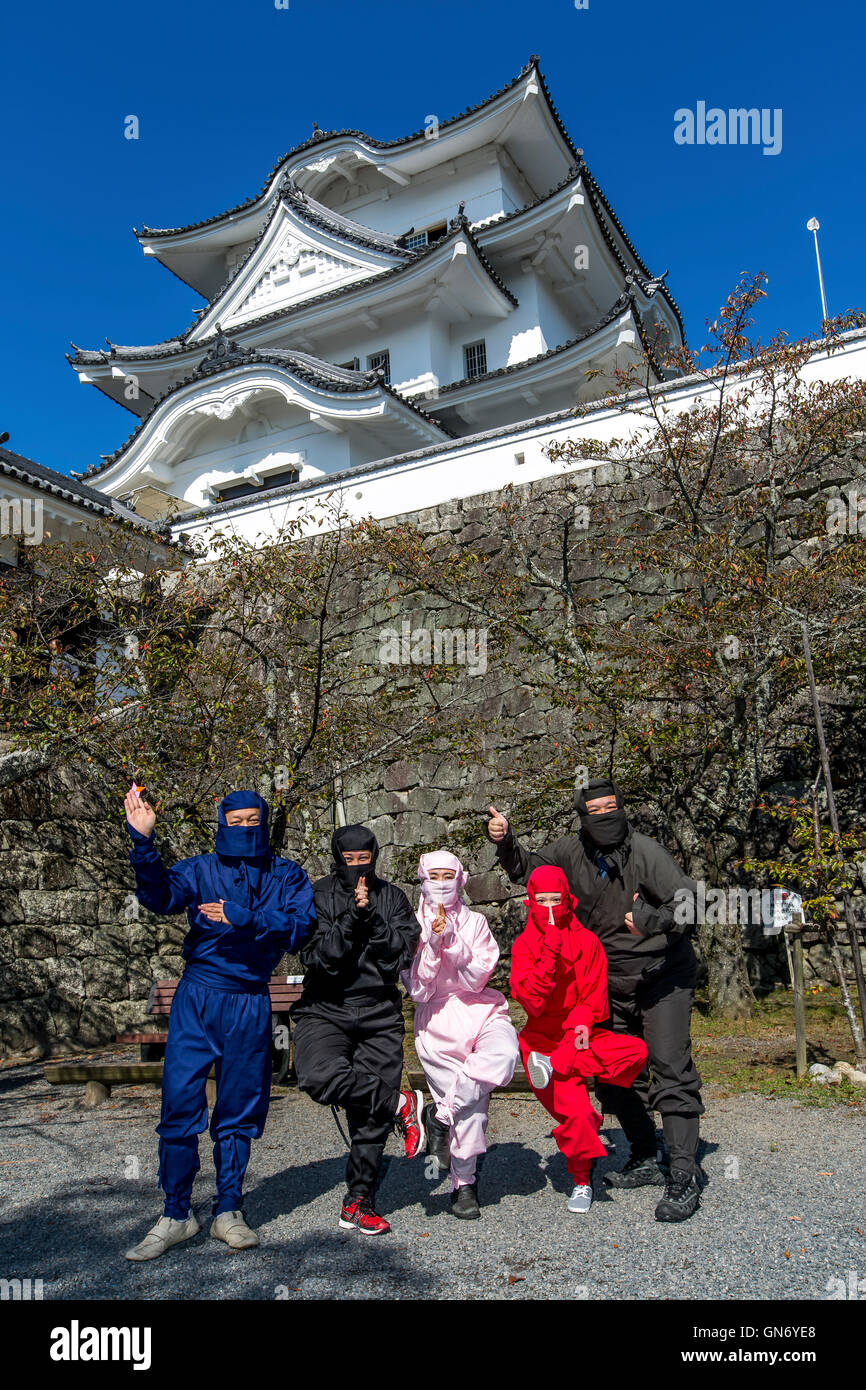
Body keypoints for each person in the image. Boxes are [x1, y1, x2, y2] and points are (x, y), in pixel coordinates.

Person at [488, 778, 704, 1222]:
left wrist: (651, 920)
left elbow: (692, 904)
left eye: (612, 807)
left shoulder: (647, 853)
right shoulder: (570, 852)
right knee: (609, 1074)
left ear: (623, 809)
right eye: (595, 811)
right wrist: (507, 840)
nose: (605, 817)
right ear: (582, 818)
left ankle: (683, 1174)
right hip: (607, 981)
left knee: (668, 1065)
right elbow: (532, 872)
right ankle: (646, 1153)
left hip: (661, 974)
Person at [123, 787, 316, 1260]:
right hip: (198, 998)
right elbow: (160, 897)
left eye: (254, 820)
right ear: (221, 821)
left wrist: (246, 917)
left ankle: (229, 1209)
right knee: (180, 1102)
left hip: (250, 998)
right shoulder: (200, 868)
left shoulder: (287, 874)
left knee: (238, 1108)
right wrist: (143, 843)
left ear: (265, 823)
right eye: (236, 820)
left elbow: (302, 928)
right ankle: (176, 1214)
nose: (245, 829)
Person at [290, 824, 423, 1236]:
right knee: (316, 1076)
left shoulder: (393, 897)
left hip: (379, 1011)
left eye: (365, 859)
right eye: (349, 861)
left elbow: (402, 954)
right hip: (326, 1008)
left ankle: (359, 1200)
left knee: (369, 1119)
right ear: (336, 859)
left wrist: (374, 922)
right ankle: (400, 1102)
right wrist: (351, 920)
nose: (358, 867)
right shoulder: (317, 894)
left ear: (375, 856)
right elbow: (314, 957)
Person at [511, 865, 649, 1213]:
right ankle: (582, 1182)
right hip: (539, 1042)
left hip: (576, 1041)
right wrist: (549, 954)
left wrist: (583, 1023)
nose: (549, 909)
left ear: (568, 899)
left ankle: (555, 1064)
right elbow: (533, 1003)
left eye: (555, 900)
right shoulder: (524, 945)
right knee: (580, 1117)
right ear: (530, 902)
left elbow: (592, 995)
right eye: (540, 901)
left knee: (635, 1050)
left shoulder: (587, 941)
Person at [403, 850, 519, 1219]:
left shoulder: (477, 922)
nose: (440, 883)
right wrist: (433, 944)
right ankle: (463, 1183)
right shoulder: (408, 926)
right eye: (433, 875)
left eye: (447, 875)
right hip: (438, 1022)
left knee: (503, 1056)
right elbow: (418, 990)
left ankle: (439, 1115)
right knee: (471, 1111)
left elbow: (477, 978)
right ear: (421, 878)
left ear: (461, 879)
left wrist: (453, 940)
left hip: (482, 1009)